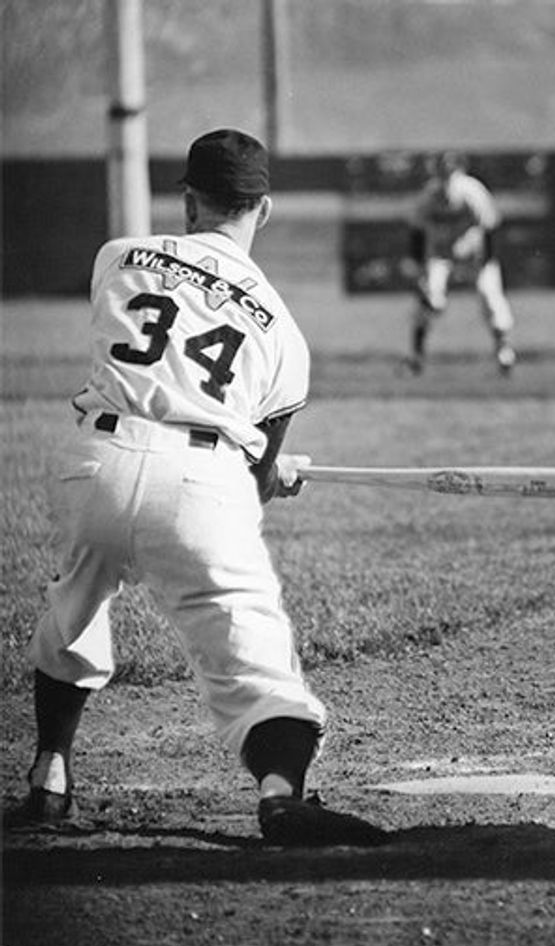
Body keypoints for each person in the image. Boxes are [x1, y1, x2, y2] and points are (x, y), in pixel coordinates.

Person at [5, 129, 385, 847]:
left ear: (188, 201)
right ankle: (280, 795)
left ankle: (49, 772)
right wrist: (273, 472)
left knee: (75, 605)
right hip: (201, 480)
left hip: (95, 462)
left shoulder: (116, 257)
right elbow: (256, 477)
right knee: (253, 646)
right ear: (263, 209)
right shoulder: (286, 334)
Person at [403, 151, 517, 376]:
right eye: (442, 171)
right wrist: (417, 265)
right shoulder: (429, 195)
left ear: (459, 170)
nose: (446, 176)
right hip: (441, 256)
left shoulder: (472, 191)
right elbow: (416, 229)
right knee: (430, 300)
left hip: (475, 255)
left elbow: (490, 226)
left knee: (490, 296)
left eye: (450, 170)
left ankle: (504, 351)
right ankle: (416, 356)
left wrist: (486, 262)